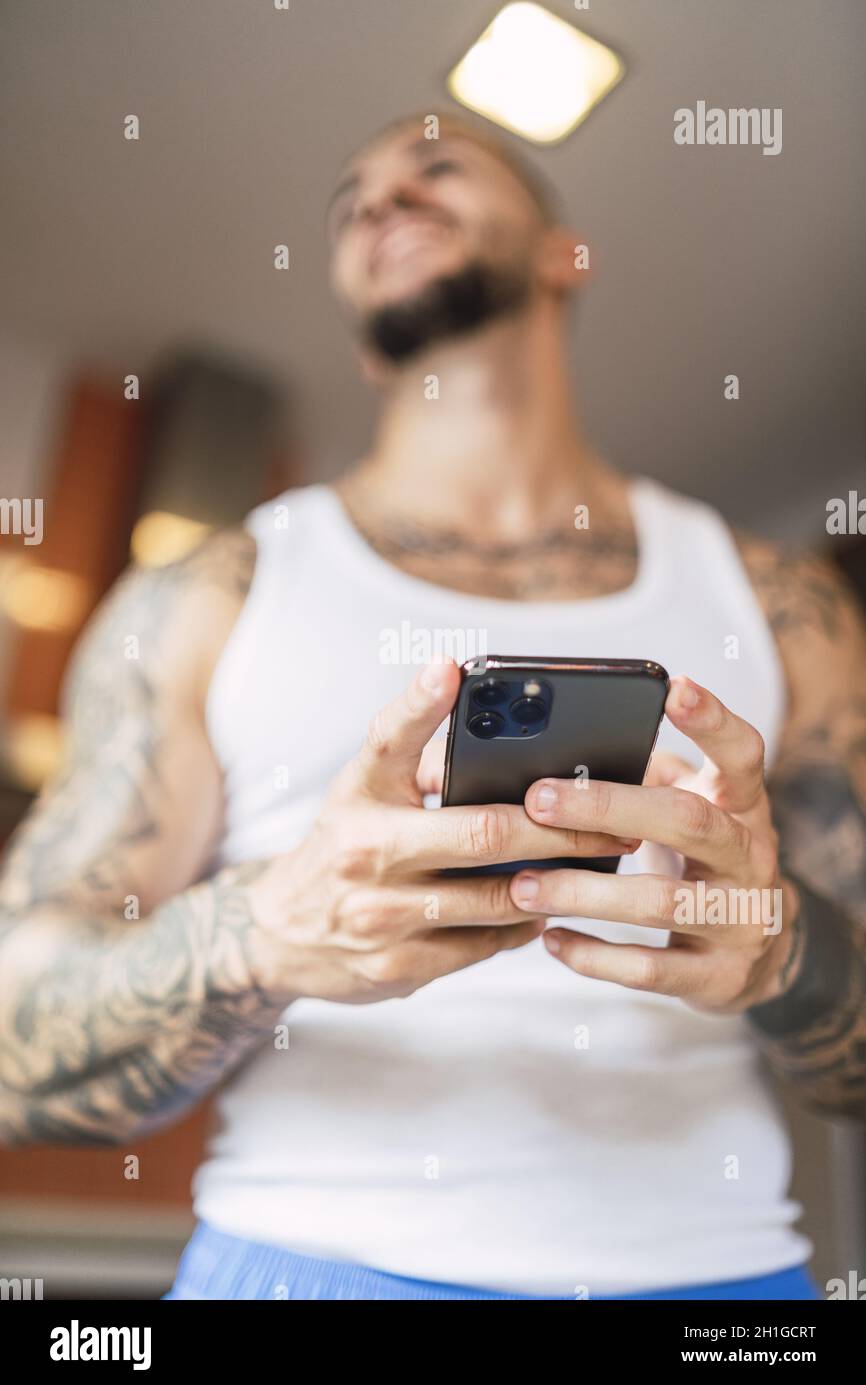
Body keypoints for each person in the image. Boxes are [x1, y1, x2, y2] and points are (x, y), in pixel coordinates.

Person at [1, 113, 864, 1301]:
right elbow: (13, 1047)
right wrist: (262, 934)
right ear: (361, 334)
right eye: (351, 199)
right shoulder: (202, 596)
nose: (381, 196)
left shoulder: (779, 601)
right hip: (308, 1266)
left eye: (438, 165)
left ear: (565, 254)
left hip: (718, 1281)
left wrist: (783, 944)